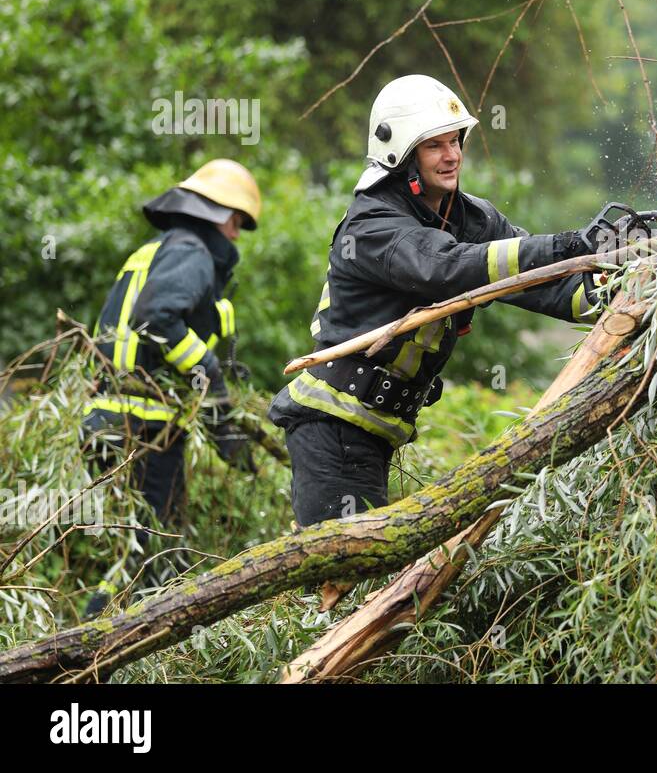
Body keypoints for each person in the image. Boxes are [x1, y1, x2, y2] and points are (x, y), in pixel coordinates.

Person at [269, 74, 614, 535]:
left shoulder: (471, 217)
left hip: (375, 428)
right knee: (347, 577)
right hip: (331, 426)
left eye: (455, 141)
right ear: (403, 155)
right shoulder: (371, 225)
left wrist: (621, 290)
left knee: (369, 573)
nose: (452, 155)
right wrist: (566, 246)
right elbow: (445, 267)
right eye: (435, 145)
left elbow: (540, 283)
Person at [80, 159, 261, 617]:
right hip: (142, 426)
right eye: (237, 222)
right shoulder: (191, 251)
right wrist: (208, 375)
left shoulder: (160, 248)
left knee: (132, 545)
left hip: (110, 419)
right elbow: (155, 318)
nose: (237, 236)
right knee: (142, 551)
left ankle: (115, 645)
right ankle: (86, 654)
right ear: (218, 215)